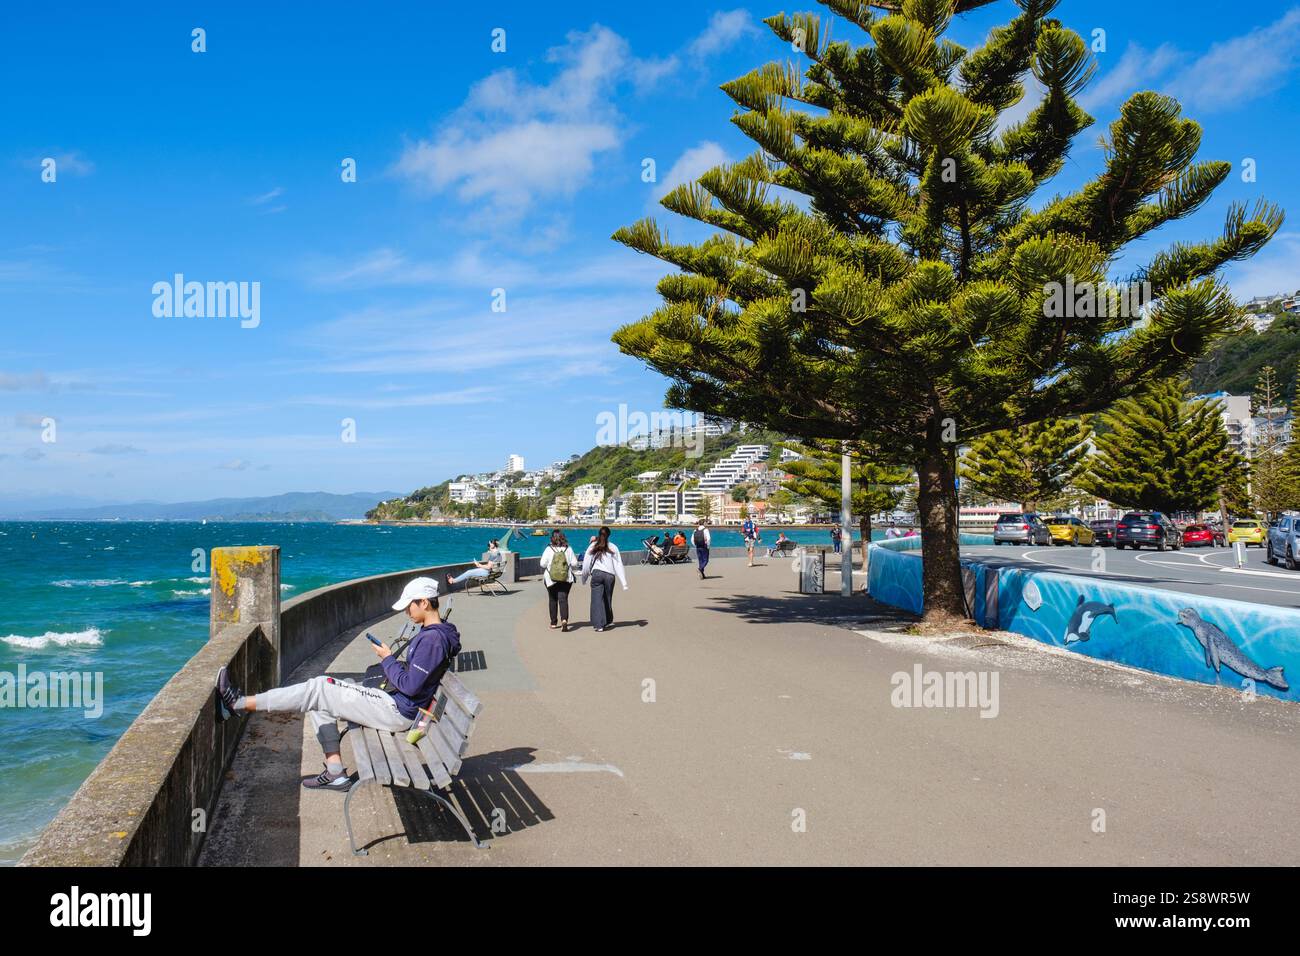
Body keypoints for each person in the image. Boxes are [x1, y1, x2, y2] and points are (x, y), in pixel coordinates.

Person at [214, 577, 459, 793]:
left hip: (397, 712)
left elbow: (411, 686)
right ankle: (335, 773)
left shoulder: (433, 640)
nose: (407, 611)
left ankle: (238, 703)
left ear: (424, 603)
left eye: (409, 605)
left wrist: (387, 659)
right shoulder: (435, 633)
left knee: (318, 688)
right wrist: (391, 662)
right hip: (396, 705)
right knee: (321, 694)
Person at [581, 525, 627, 632]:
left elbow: (586, 563)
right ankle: (607, 621)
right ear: (609, 535)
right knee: (607, 598)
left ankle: (599, 625)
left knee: (597, 600)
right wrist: (624, 583)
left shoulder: (593, 546)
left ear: (599, 534)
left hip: (597, 575)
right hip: (610, 576)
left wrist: (584, 578)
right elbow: (618, 565)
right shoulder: (613, 547)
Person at [539, 529, 578, 631]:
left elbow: (542, 564)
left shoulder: (548, 549)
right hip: (565, 578)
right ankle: (564, 620)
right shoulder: (568, 548)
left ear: (552, 538)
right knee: (563, 599)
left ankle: (553, 623)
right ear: (563, 537)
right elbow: (574, 563)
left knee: (552, 599)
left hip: (551, 579)